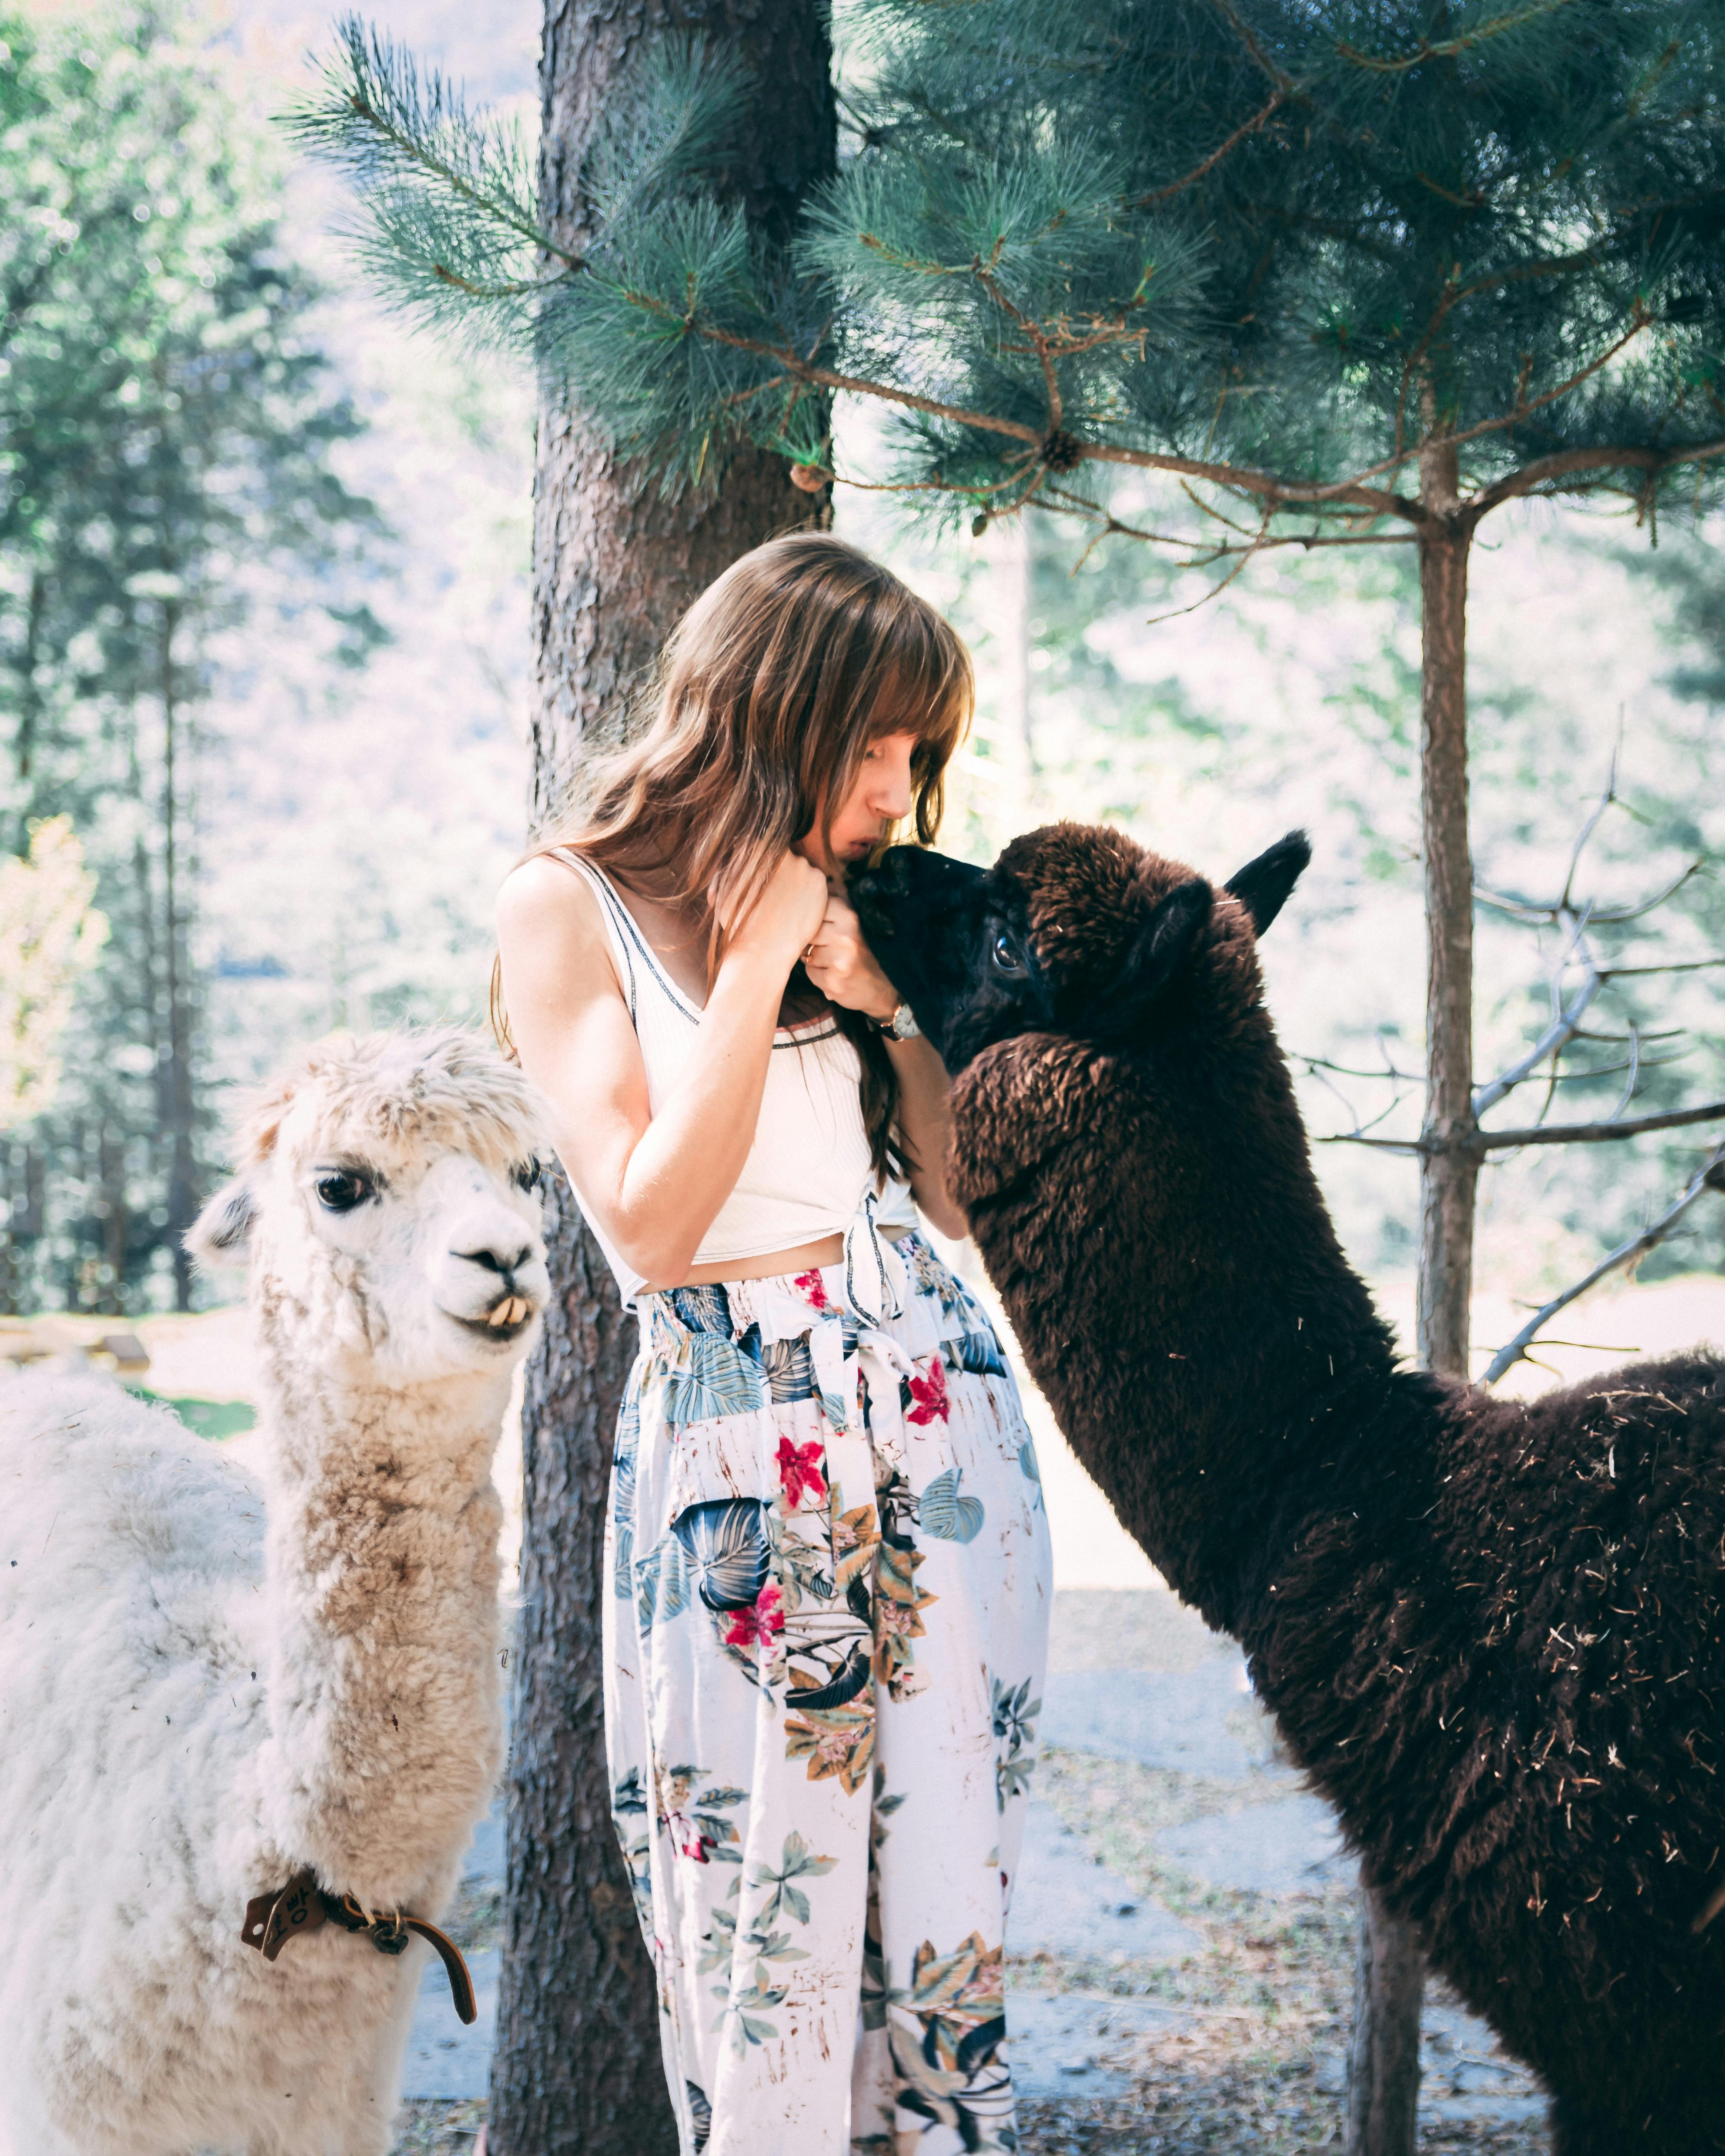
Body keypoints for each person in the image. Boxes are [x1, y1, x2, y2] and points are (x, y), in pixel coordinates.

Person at [495, 531, 1053, 2156]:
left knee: (944, 1935)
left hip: (936, 1415)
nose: (900, 789)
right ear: (782, 710)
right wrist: (752, 960)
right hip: (744, 1444)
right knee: (762, 1946)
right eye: (880, 745)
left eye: (918, 754)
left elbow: (955, 1198)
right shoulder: (568, 904)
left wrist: (878, 993)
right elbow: (652, 1232)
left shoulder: (868, 904)